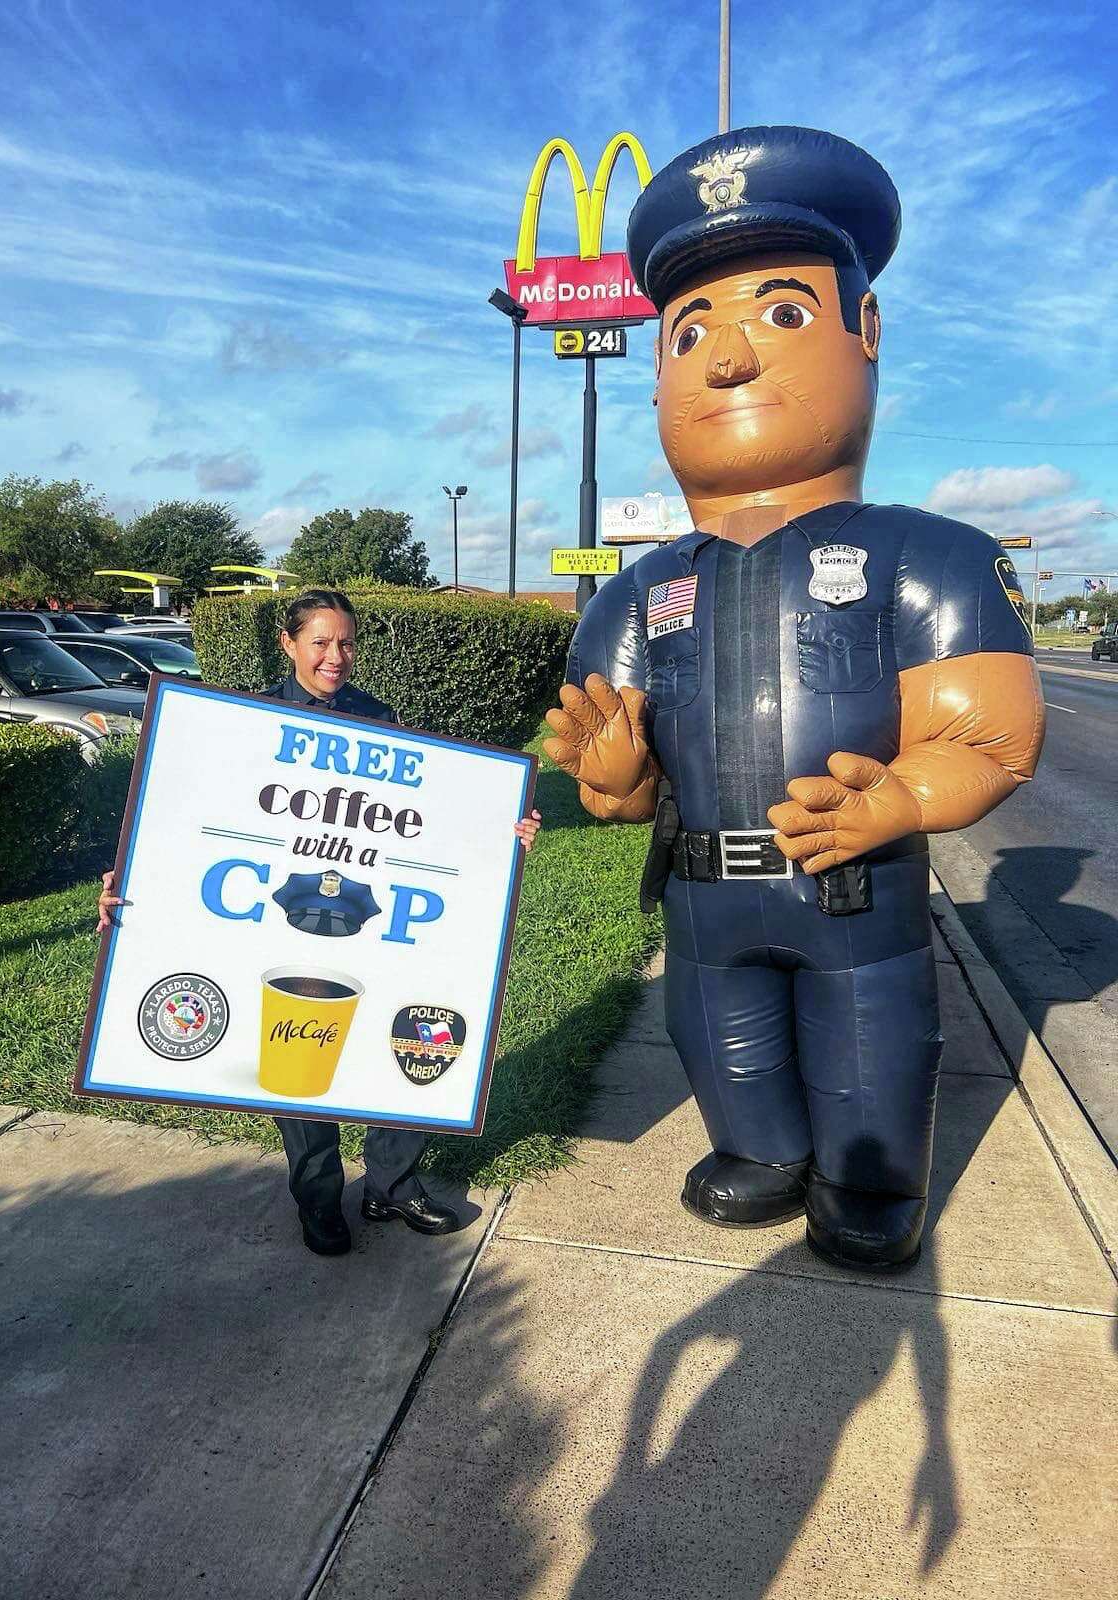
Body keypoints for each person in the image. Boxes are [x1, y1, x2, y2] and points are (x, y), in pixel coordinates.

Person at [542, 127, 1043, 1272]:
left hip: (853, 893)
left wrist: (906, 795)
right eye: (691, 330)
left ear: (864, 335)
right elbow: (608, 755)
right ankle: (763, 1151)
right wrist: (617, 785)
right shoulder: (643, 584)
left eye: (777, 315)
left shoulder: (930, 556)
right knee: (722, 1044)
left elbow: (993, 727)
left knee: (868, 1043)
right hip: (706, 899)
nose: (725, 363)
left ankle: (873, 1179)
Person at [99, 586, 541, 1258]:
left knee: (397, 1028)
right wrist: (127, 877)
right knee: (298, 1052)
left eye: (346, 643)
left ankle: (390, 1183)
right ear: (289, 643)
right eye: (321, 642)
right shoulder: (250, 721)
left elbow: (425, 819)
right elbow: (188, 814)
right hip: (278, 919)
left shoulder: (378, 717)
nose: (336, 656)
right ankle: (317, 1199)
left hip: (368, 916)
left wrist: (502, 833)